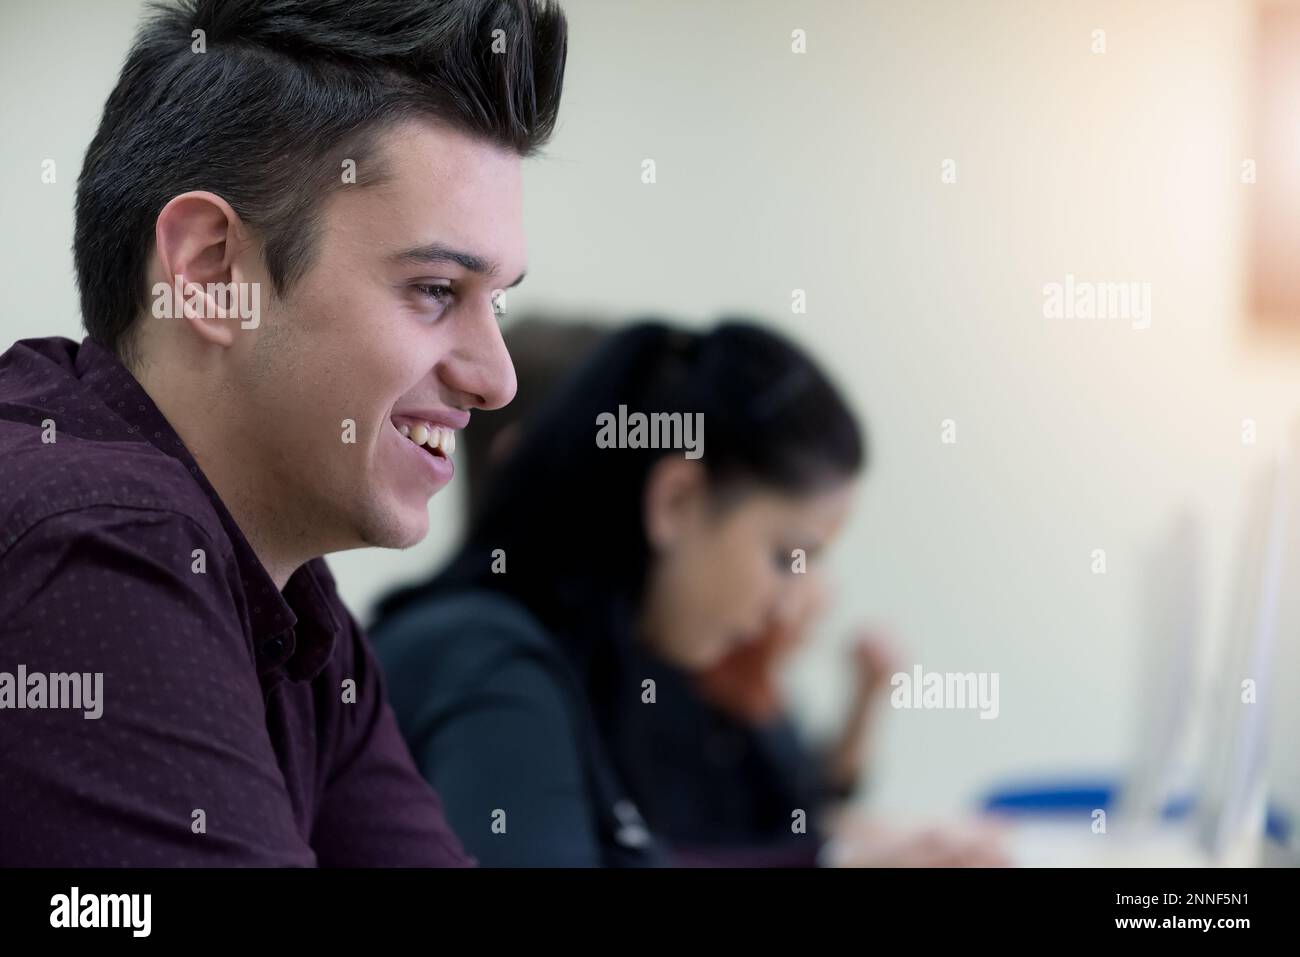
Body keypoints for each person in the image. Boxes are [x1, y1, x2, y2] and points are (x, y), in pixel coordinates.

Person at [0, 0, 568, 866]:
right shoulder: (93, 539)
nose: (497, 380)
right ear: (212, 272)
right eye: (434, 290)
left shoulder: (299, 611)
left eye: (499, 303)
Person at [372, 319, 870, 865]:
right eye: (786, 556)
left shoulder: (575, 666)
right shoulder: (493, 664)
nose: (792, 602)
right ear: (676, 501)